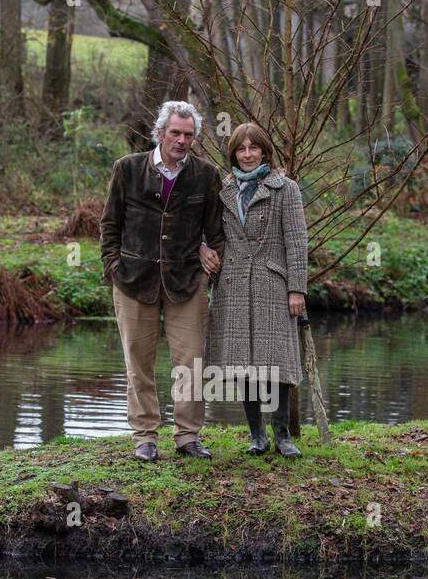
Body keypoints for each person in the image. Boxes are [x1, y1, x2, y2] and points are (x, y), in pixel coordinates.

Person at [100, 100, 225, 462]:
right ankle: (145, 437)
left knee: (191, 361)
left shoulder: (205, 175)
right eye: (175, 133)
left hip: (187, 281)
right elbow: (109, 224)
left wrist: (206, 257)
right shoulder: (127, 169)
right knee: (138, 362)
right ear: (160, 133)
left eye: (188, 135)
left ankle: (187, 436)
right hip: (133, 280)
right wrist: (112, 266)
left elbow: (216, 232)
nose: (182, 140)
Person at [204, 122, 308, 458]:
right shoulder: (223, 190)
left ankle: (283, 437)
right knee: (243, 365)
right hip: (232, 286)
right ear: (233, 153)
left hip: (272, 284)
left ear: (264, 150)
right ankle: (256, 436)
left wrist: (297, 289)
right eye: (241, 149)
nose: (247, 155)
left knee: (275, 364)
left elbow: (296, 241)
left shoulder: (285, 188)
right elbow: (210, 233)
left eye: (253, 148)